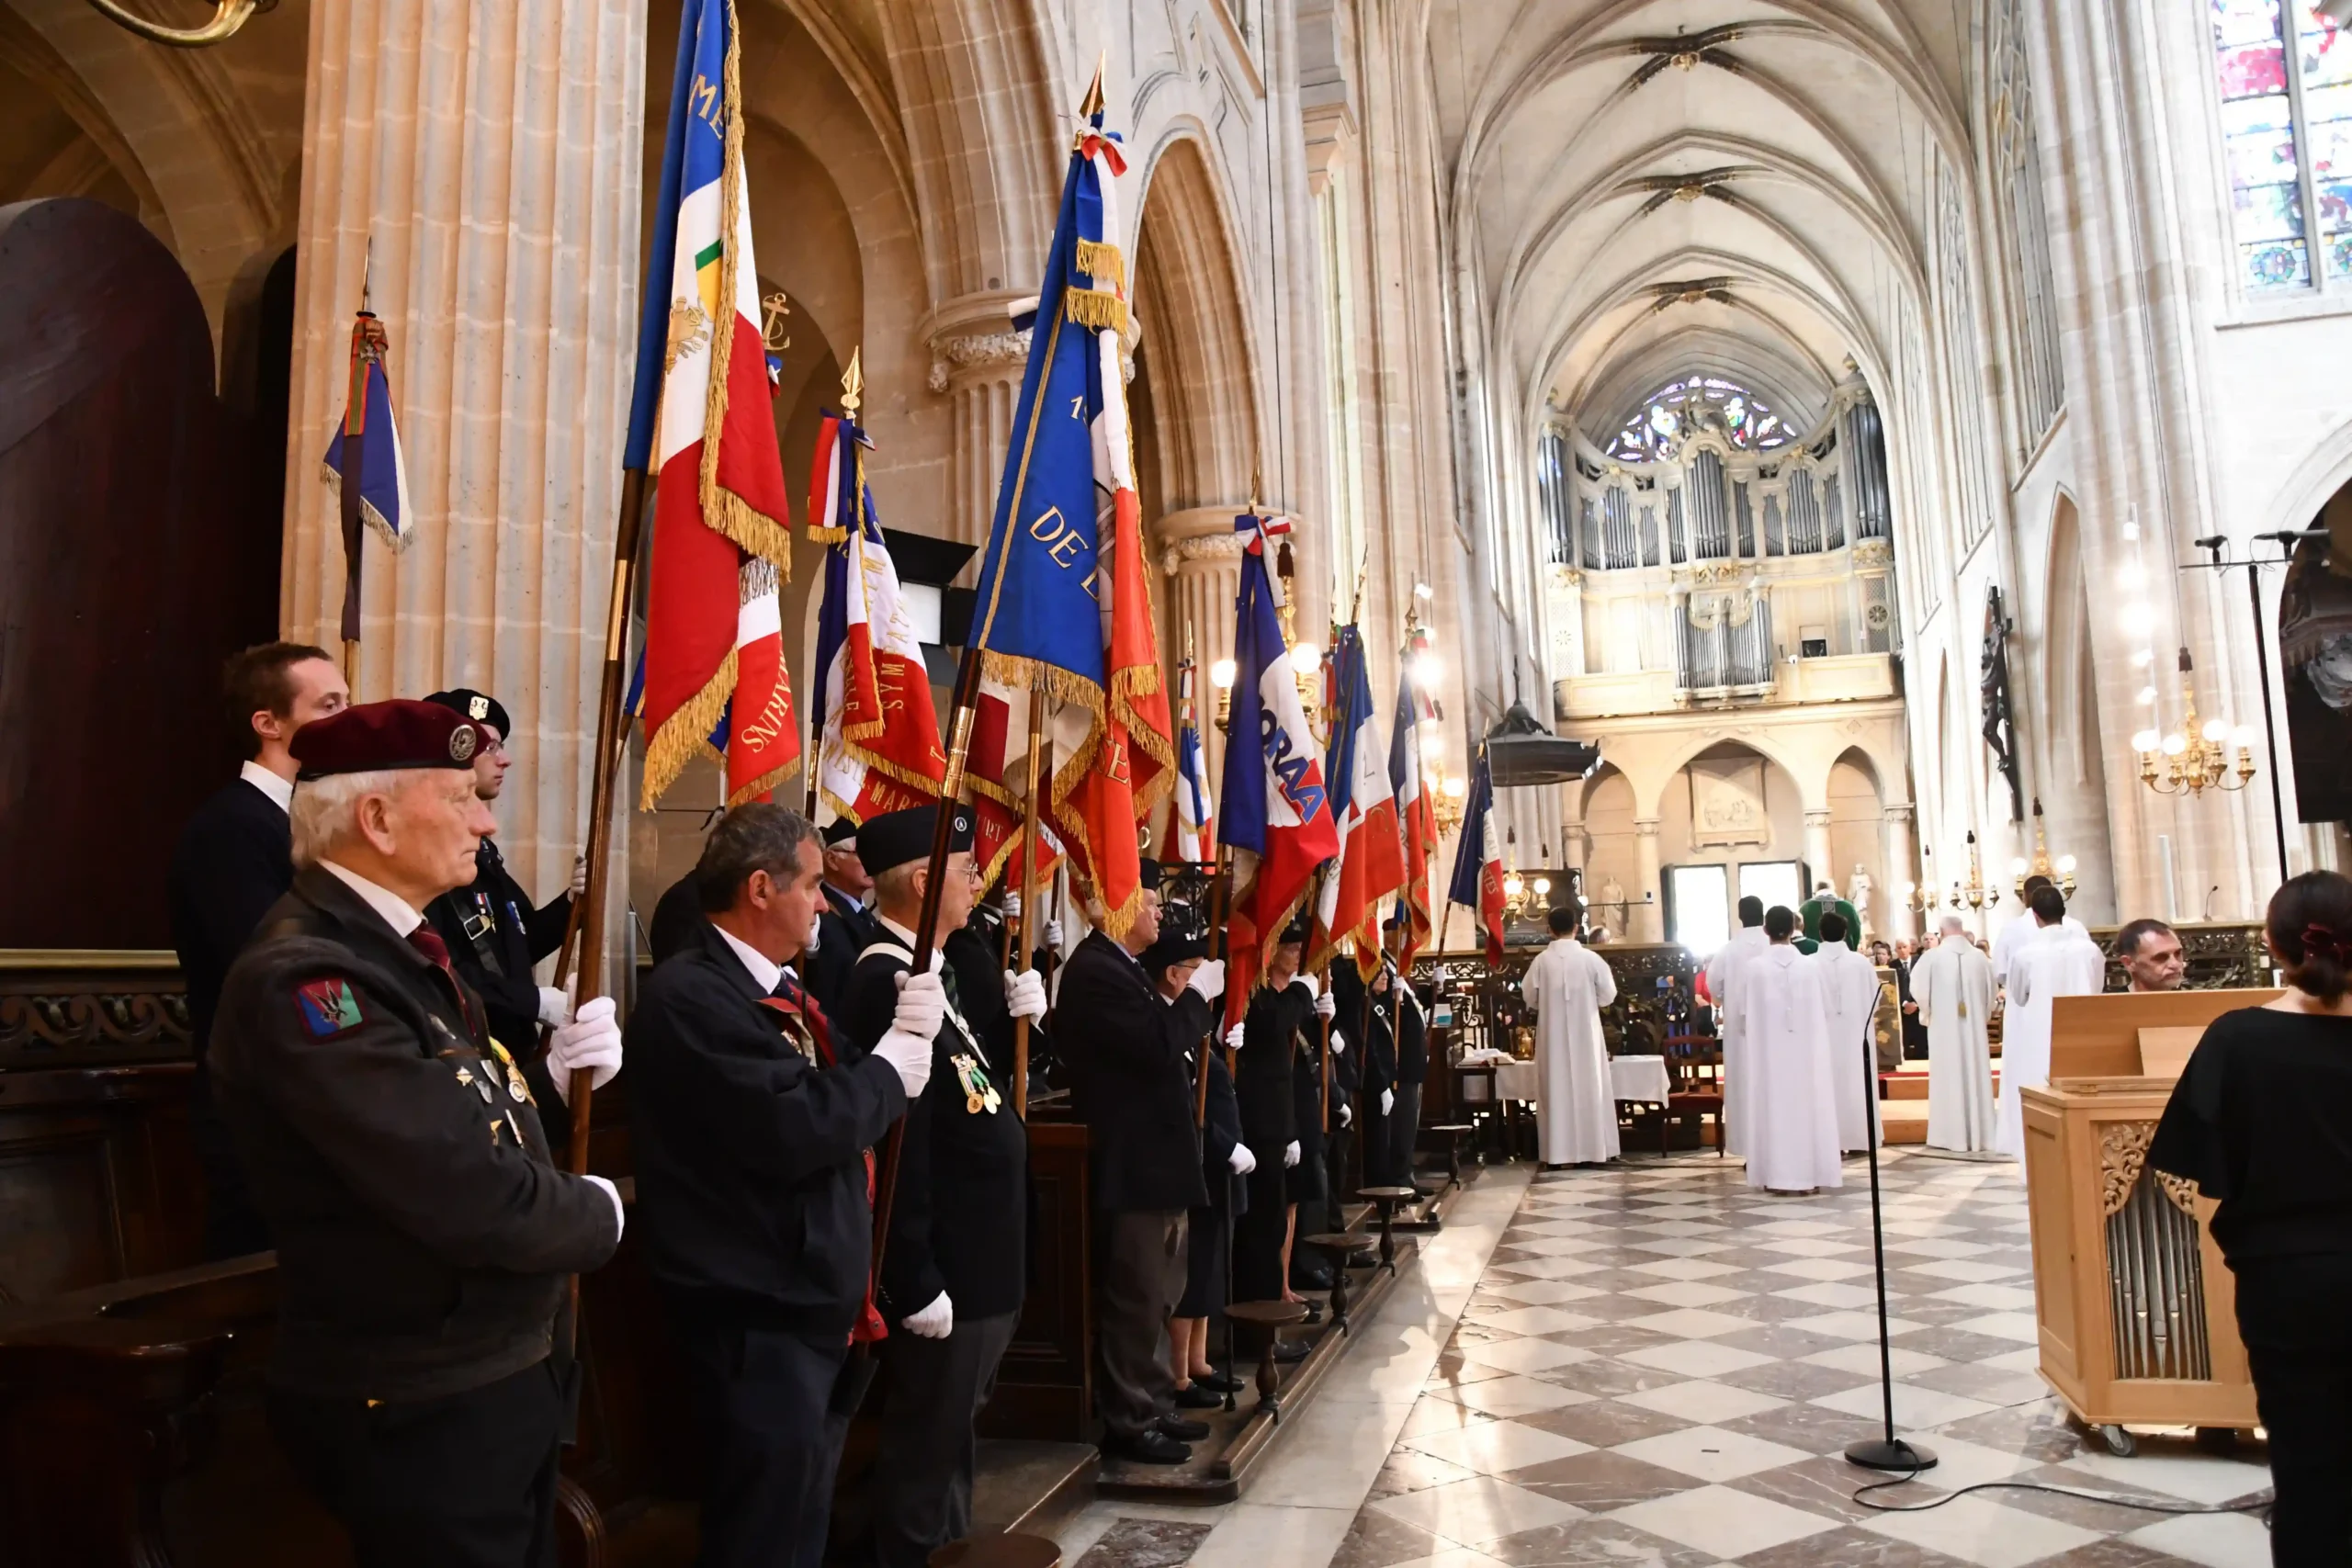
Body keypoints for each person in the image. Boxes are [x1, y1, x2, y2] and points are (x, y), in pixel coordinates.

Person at [209, 698, 625, 1567]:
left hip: (486, 1369)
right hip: (417, 1392)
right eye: (460, 797)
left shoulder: (405, 952)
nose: (484, 817)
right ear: (377, 818)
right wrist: (601, 1212)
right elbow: (454, 1184)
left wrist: (549, 1082)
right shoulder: (312, 976)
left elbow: (473, 1113)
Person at [626, 803, 935, 1568]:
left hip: (803, 1297)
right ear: (760, 888)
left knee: (801, 1520)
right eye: (812, 885)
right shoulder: (693, 995)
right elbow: (794, 1125)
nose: (826, 902)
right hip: (753, 1308)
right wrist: (889, 1069)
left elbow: (832, 1081)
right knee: (762, 1532)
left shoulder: (772, 987)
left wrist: (902, 1040)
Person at [827, 804, 1045, 1568]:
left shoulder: (930, 972)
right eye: (965, 868)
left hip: (979, 1264)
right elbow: (897, 1144)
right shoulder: (884, 979)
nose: (979, 879)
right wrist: (912, 1274)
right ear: (923, 882)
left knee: (953, 1448)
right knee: (924, 1460)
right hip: (944, 1268)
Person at [2150, 871, 2352, 1566]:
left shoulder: (2238, 1039)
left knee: (2306, 1467)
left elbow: (2199, 1162)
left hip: (2285, 1283)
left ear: (2272, 945)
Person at [167, 640, 350, 1258]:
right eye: (329, 704)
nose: (347, 718)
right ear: (268, 723)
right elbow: (276, 964)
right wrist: (355, 1029)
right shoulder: (234, 827)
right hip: (261, 1105)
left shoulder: (308, 821)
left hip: (312, 1099)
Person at [1054, 863, 1216, 1464]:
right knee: (1134, 1293)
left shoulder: (1124, 970)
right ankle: (1128, 1418)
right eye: (1148, 903)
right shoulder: (1096, 971)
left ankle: (1152, 1401)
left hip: (1158, 1159)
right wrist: (1197, 999)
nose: (1157, 914)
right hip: (1131, 1159)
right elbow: (1154, 1044)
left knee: (1159, 1293)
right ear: (1119, 909)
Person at [420, 689, 584, 1089]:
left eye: (501, 745)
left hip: (507, 1056)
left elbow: (519, 941)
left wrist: (572, 902)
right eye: (490, 746)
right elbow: (441, 972)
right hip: (465, 1059)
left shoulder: (484, 852)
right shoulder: (429, 855)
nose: (504, 758)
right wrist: (537, 1003)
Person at [1143, 915, 1250, 1412]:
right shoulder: (1165, 1021)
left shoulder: (1188, 1020)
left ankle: (1201, 1362)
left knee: (1208, 1269)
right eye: (1193, 969)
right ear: (1172, 975)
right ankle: (1179, 1374)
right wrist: (1224, 1145)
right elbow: (1184, 1101)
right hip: (1197, 1162)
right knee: (1188, 1276)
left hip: (1214, 1163)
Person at [1230, 919, 1319, 1317]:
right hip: (1257, 1120)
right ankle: (1262, 1319)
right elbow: (1273, 1022)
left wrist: (1291, 1130)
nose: (1298, 955)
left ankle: (1275, 1300)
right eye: (1291, 947)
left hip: (1279, 1121)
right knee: (1262, 1227)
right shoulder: (1257, 993)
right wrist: (1305, 989)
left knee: (1275, 1219)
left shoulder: (1281, 994)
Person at [1995, 886, 2107, 1165]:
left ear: (2035, 915)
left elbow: (2018, 996)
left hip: (2037, 1034)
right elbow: (2098, 987)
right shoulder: (2090, 950)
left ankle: (2039, 1160)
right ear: (2064, 912)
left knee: (2040, 1092)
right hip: (2082, 1031)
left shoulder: (2025, 955)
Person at [1734, 907, 1842, 1193]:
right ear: (1794, 930)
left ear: (1766, 931)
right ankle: (1812, 1175)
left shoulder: (1754, 968)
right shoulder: (1811, 966)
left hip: (1770, 1057)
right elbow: (1829, 1011)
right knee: (1809, 1107)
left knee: (1773, 1107)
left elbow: (1742, 1018)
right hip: (1806, 1056)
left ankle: (1774, 1176)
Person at [1520, 901, 1618, 1167]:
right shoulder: (1590, 958)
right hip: (1586, 1031)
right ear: (1576, 928)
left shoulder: (1542, 961)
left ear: (1550, 930)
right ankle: (1593, 1151)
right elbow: (1609, 994)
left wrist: (1549, 1007)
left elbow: (1529, 995)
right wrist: (1588, 1001)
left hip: (1553, 1037)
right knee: (1590, 1085)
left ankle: (1559, 1154)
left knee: (1556, 1087)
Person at [1910, 915, 1996, 1152]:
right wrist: (1982, 1015)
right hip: (1974, 1032)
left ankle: (1949, 1136)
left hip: (1944, 1031)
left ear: (1941, 931)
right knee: (1975, 1074)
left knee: (1948, 1077)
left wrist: (1927, 1013)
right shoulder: (1981, 958)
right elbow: (1992, 995)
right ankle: (1983, 1135)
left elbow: (1918, 989)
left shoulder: (1932, 958)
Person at [1704, 896, 1770, 1155]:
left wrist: (1725, 1000)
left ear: (1740, 916)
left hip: (1738, 1029)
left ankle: (1748, 1146)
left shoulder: (1728, 950)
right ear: (1763, 915)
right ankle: (1773, 1146)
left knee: (1743, 1082)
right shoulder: (1773, 946)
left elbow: (1713, 988)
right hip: (1773, 1028)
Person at [1814, 910, 1883, 1153]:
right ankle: (1860, 1139)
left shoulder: (1811, 963)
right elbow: (1877, 997)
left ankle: (1829, 1142)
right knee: (1856, 1084)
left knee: (1827, 1085)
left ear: (1820, 934)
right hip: (1857, 1035)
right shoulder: (1860, 963)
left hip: (1822, 1039)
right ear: (1845, 933)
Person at [801, 818, 881, 1013]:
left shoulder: (869, 919)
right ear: (831, 859)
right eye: (861, 853)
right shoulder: (820, 916)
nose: (872, 862)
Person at [1991, 874, 2086, 991]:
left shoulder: (2009, 929)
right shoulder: (2076, 927)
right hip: (2070, 999)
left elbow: (2000, 973)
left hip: (2025, 1005)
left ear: (2024, 897)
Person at [2116, 918, 2188, 993]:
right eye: (2161, 957)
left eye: (2178, 953)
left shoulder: (2193, 1002)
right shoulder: (2110, 1003)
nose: (2175, 964)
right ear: (2129, 963)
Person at [1797, 880, 1860, 954]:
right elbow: (1856, 931)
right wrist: (1853, 949)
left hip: (1814, 956)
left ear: (1815, 891)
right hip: (1845, 955)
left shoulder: (1805, 908)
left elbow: (1799, 933)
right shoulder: (1848, 907)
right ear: (1833, 890)